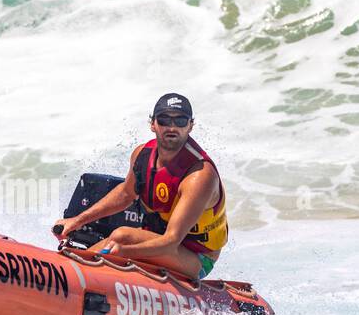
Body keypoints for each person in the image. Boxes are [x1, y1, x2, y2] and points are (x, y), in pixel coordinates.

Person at [53, 93, 228, 279]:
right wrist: (77, 221)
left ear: (190, 126)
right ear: (153, 124)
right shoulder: (142, 155)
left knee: (122, 236)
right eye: (164, 120)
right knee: (120, 237)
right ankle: (65, 269)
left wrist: (126, 251)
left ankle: (66, 274)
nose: (171, 127)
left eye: (180, 121)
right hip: (155, 237)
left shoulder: (199, 176)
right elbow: (125, 195)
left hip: (196, 257)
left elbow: (171, 241)